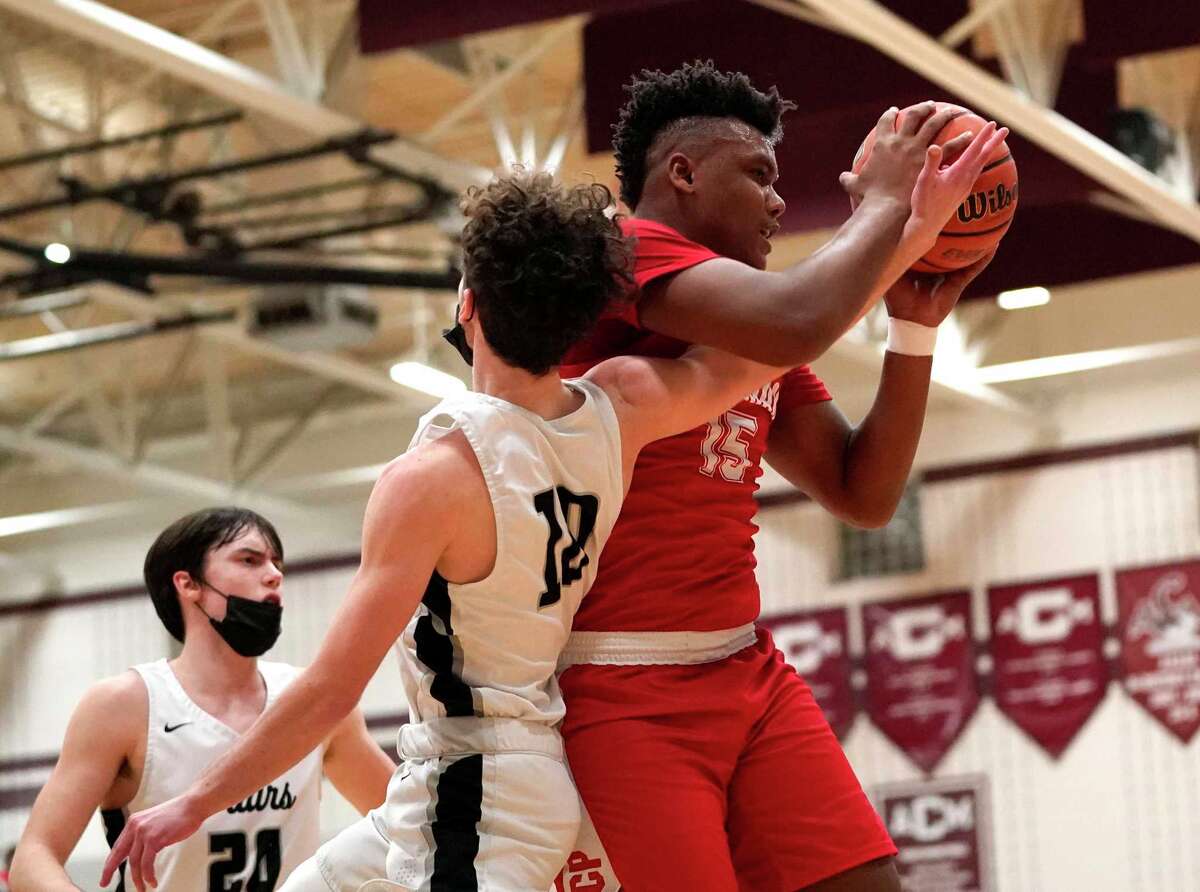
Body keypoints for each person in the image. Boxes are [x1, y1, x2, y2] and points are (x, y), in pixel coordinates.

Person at [98, 150, 980, 892]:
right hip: (469, 772)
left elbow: (327, 692)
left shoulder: (432, 479)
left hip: (479, 784)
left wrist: (188, 803)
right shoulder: (620, 408)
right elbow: (768, 349)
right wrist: (901, 239)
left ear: (467, 306)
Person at [553, 61, 1006, 892]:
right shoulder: (619, 251)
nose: (779, 201)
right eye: (758, 174)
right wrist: (884, 209)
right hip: (619, 689)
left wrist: (914, 326)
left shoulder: (754, 322)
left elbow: (861, 492)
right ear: (682, 173)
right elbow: (801, 316)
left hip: (743, 670)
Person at [9, 507, 394, 892]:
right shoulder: (124, 704)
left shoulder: (312, 705)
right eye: (249, 559)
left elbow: (408, 822)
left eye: (277, 564)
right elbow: (32, 860)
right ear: (189, 584)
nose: (275, 575)